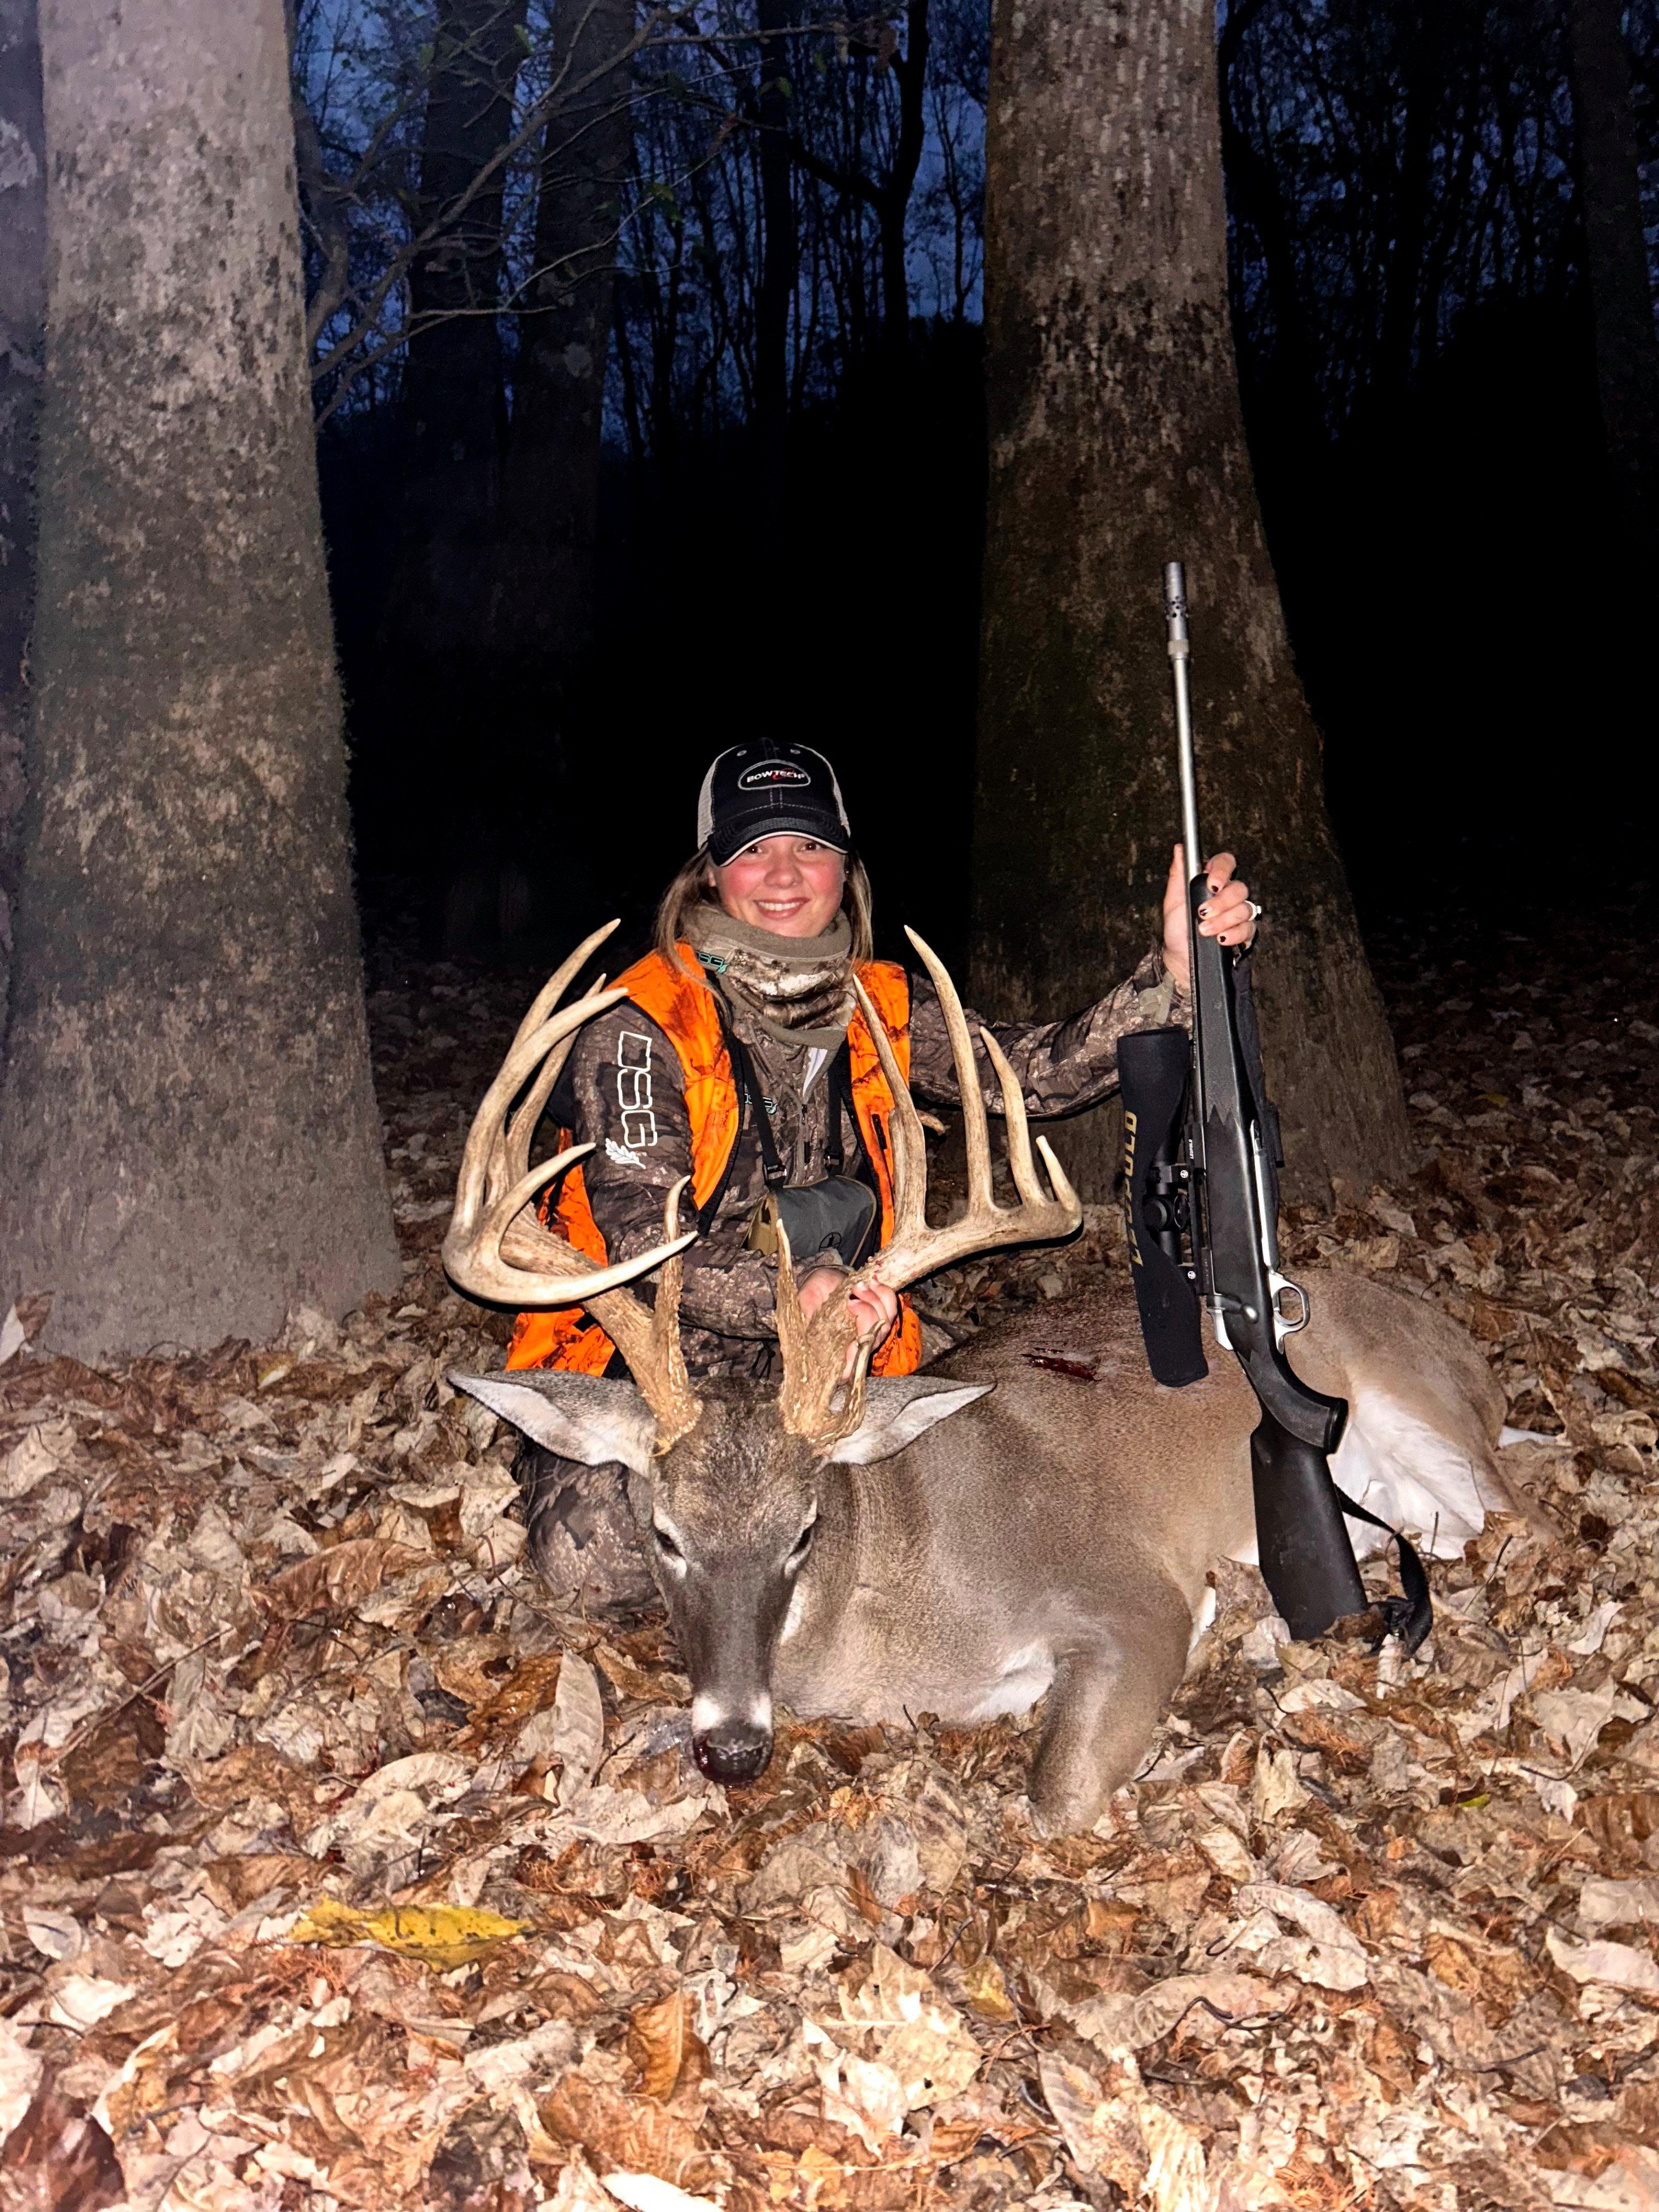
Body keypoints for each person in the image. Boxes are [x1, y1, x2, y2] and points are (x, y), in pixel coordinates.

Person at [505, 743, 1257, 1608]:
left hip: (846, 1344)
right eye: (752, 849)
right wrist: (800, 1297)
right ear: (709, 875)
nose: (783, 874)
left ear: (845, 869)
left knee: (1007, 1455)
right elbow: (646, 1254)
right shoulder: (641, 1027)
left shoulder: (878, 1003)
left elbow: (1037, 1073)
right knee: (596, 1560)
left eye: (811, 847)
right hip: (660, 1369)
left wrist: (1170, 973)